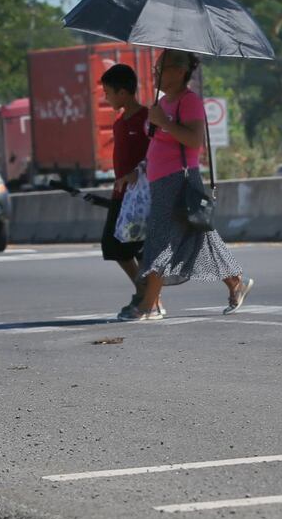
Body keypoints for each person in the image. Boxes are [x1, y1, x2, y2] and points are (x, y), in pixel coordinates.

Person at [117, 49, 253, 321]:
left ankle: (148, 304)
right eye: (155, 69)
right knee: (199, 237)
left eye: (161, 69)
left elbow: (193, 141)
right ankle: (236, 281)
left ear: (179, 72)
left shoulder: (188, 101)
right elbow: (157, 143)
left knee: (159, 239)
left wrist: (164, 122)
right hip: (159, 181)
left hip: (178, 179)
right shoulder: (163, 102)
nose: (155, 74)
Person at [90, 63, 152, 312]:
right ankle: (144, 288)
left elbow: (156, 154)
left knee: (139, 246)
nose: (106, 97)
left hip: (141, 195)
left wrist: (137, 173)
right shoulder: (119, 122)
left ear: (123, 92)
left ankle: (148, 296)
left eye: (108, 92)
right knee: (113, 244)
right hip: (121, 193)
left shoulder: (148, 118)